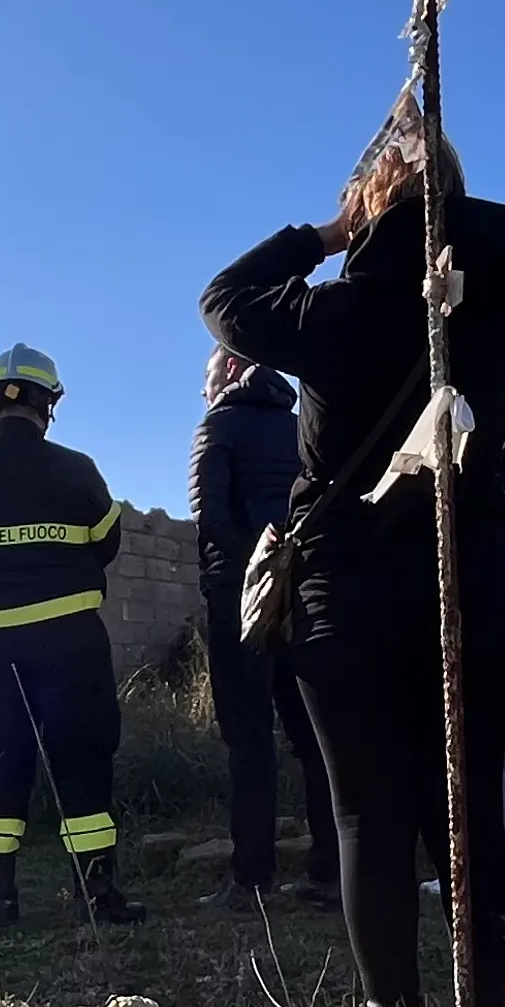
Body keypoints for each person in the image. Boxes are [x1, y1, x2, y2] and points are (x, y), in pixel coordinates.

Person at [202, 108, 505, 1007]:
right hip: (468, 574)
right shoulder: (494, 305)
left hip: (346, 593)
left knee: (368, 814)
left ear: (367, 205)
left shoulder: (329, 313)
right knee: (474, 805)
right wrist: (454, 214)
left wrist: (330, 235)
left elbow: (224, 298)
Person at [0, 344, 147, 928]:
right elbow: (106, 543)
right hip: (68, 640)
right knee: (82, 758)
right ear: (49, 402)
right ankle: (96, 896)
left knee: (0, 762)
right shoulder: (77, 470)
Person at [192, 352, 338, 907]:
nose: (202, 389)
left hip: (242, 598)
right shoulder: (299, 426)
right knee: (313, 737)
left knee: (249, 739)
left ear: (229, 369)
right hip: (304, 596)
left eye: (206, 377)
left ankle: (251, 879)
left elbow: (211, 518)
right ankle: (329, 869)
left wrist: (257, 570)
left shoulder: (218, 425)